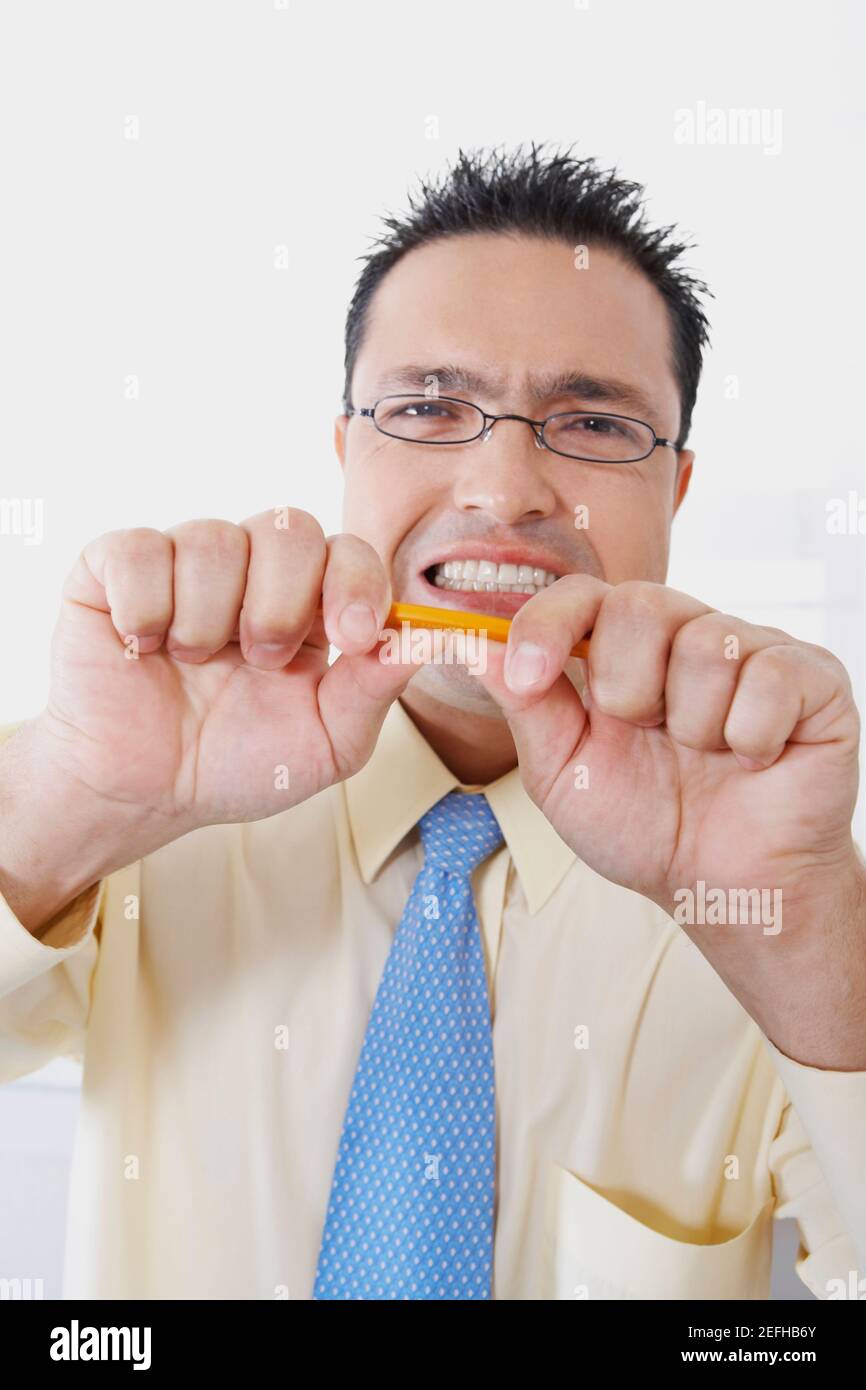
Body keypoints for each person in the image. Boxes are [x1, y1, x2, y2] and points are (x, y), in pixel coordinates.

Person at [1, 145, 864, 1301]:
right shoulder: (148, 819)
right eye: (425, 407)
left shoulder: (776, 911)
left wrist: (806, 935)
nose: (504, 489)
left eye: (595, 425)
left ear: (678, 488)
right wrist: (74, 791)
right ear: (346, 448)